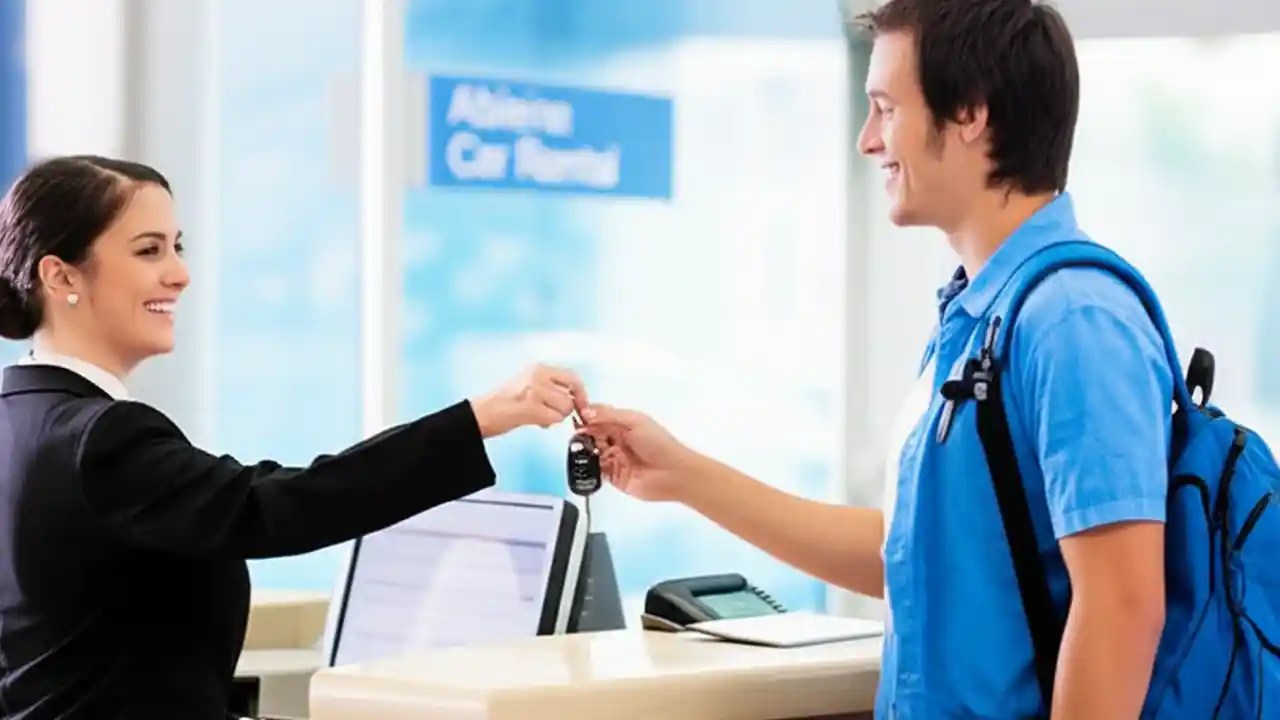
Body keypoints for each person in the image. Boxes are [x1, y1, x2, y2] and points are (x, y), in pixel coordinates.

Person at [582, 1, 1170, 717]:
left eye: (886, 108)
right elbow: (909, 556)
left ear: (970, 114)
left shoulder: (1074, 318)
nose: (868, 140)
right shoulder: (981, 318)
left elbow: (1124, 604)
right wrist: (684, 476)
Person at [0, 155, 590, 719]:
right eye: (148, 250)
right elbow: (276, 505)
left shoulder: (18, 416)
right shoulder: (102, 437)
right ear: (61, 275)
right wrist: (482, 417)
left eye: (177, 247)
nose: (179, 274)